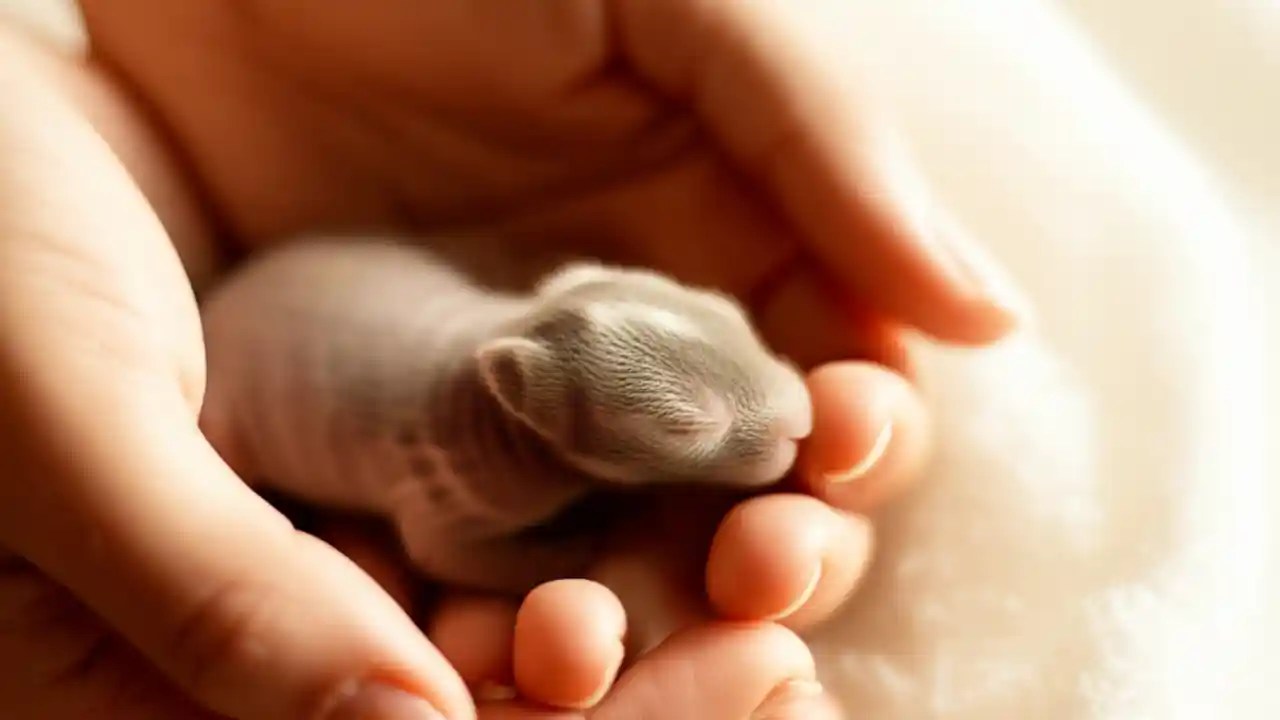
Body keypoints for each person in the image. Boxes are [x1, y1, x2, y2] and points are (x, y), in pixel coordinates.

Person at [0, 1, 1030, 718]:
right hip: (241, 373)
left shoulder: (545, 330)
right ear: (529, 409)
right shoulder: (478, 458)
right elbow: (446, 543)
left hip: (345, 273)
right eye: (688, 424)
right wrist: (558, 553)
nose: (787, 409)